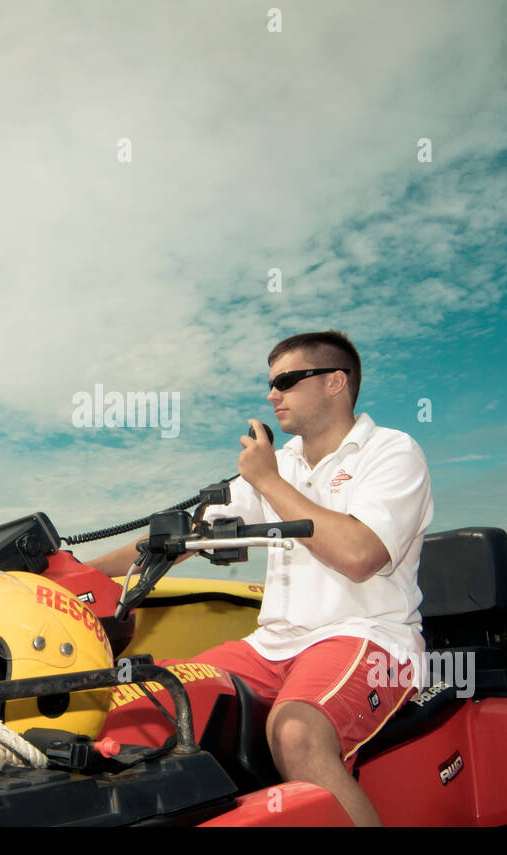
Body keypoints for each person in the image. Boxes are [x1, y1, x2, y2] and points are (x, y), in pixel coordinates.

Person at [87, 330, 433, 826]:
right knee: (149, 701)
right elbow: (191, 536)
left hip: (368, 638)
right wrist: (81, 570)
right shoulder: (283, 461)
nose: (273, 395)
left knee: (296, 731)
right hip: (272, 647)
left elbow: (360, 553)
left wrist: (267, 481)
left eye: (287, 381)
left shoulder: (391, 452)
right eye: (272, 384)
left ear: (336, 382)